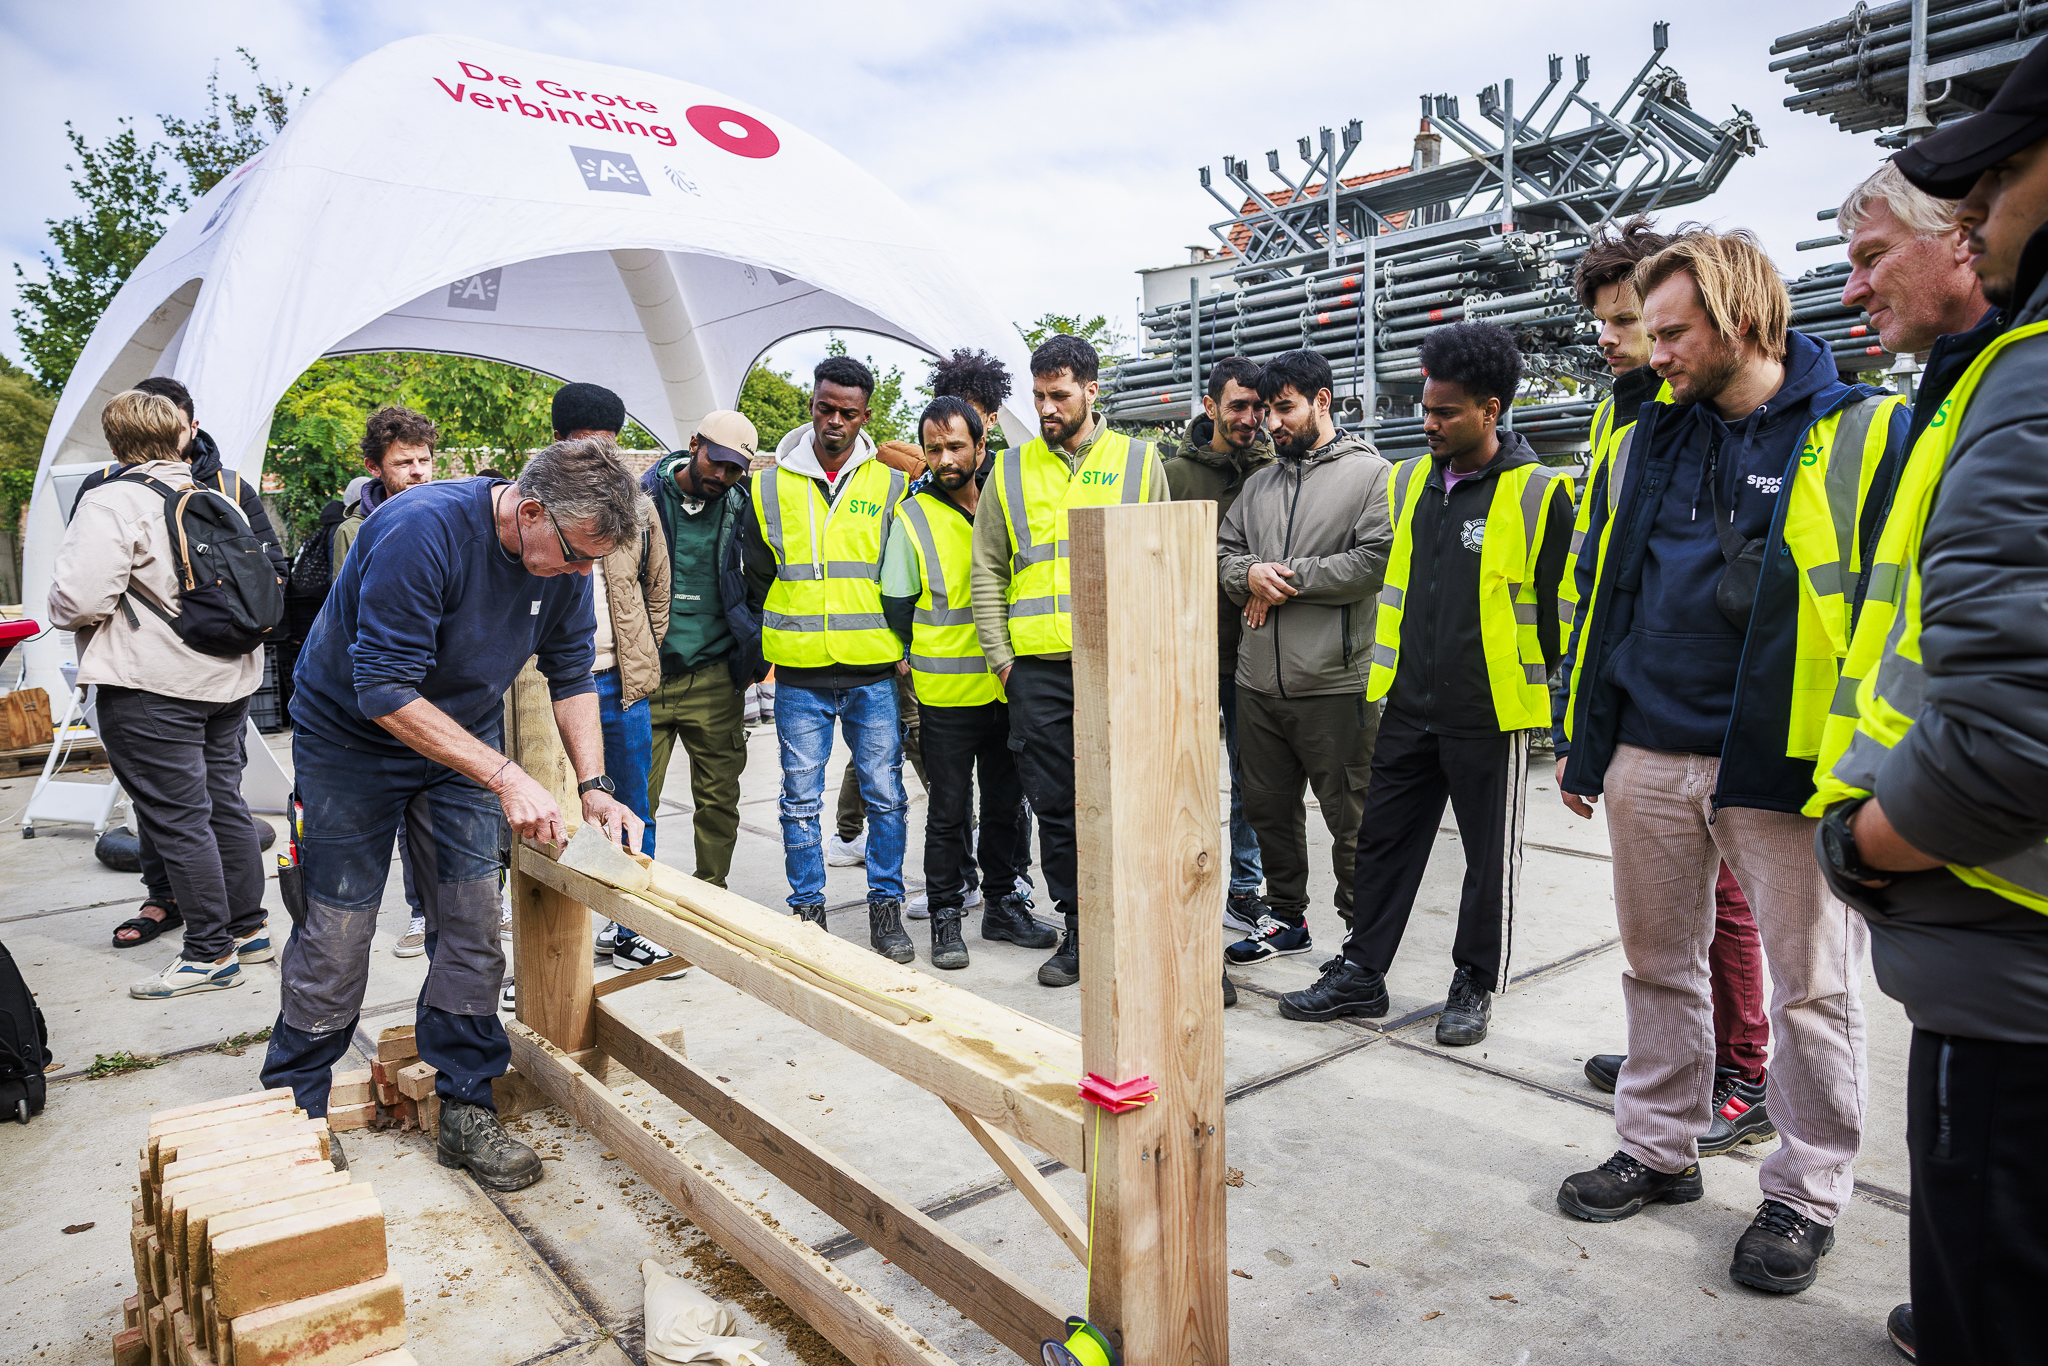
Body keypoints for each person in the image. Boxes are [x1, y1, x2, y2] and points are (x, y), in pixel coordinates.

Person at [1554, 228, 1911, 1297]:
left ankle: (1804, 1194)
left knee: (1811, 990)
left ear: (1740, 318)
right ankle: (1657, 1147)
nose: (1647, 352)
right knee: (1655, 964)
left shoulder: (1857, 430)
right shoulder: (1636, 440)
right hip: (1646, 749)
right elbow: (1600, 593)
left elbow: (1898, 611)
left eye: (1669, 332)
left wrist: (1866, 768)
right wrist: (1589, 739)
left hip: (1784, 762)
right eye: (1642, 331)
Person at [1811, 54, 2048, 1363]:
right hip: (1989, 916)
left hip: (2001, 925)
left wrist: (1869, 841)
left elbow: (2015, 725)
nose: (1854, 287)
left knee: (1992, 1281)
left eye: (1869, 255)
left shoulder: (2018, 386)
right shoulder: (1955, 396)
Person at [261, 439, 646, 1186]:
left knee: (472, 922)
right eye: (575, 557)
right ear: (531, 512)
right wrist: (506, 774)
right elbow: (382, 690)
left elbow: (569, 674)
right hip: (351, 740)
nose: (580, 574)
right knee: (338, 928)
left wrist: (593, 783)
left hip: (461, 742)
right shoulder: (421, 531)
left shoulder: (567, 557)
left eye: (590, 563)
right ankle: (296, 1109)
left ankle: (467, 1103)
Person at [1278, 324, 1570, 1048]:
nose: (1429, 423)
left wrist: (1564, 720)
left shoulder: (1541, 493)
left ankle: (1473, 982)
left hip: (1491, 710)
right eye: (1426, 409)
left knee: (1485, 861)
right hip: (1408, 704)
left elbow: (1566, 611)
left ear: (1491, 409)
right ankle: (1362, 972)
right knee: (1382, 845)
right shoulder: (1407, 480)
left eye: (1446, 412)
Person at [1562, 217, 1777, 1156]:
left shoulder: (1735, 420)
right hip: (1639, 703)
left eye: (1642, 325)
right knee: (1664, 945)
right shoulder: (1632, 414)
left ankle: (1742, 1069)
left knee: (1728, 913)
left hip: (1730, 730)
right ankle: (1682, 1078)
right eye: (1620, 327)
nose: (1627, 346)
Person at [52, 390, 271, 996]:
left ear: (116, 442)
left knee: (178, 820)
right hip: (226, 676)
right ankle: (249, 931)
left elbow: (78, 601)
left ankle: (208, 953)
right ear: (181, 436)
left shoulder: (110, 500)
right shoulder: (213, 494)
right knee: (223, 803)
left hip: (152, 682)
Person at [973, 334, 1169, 988]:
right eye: (1039, 396)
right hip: (1038, 673)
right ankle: (1083, 931)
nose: (1047, 407)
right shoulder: (1007, 469)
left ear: (1091, 390)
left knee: (1133, 801)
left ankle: (1140, 927)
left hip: (1120, 666)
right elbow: (987, 572)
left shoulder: (1141, 463)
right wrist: (1004, 663)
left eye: (1059, 395)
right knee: (1058, 807)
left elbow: (1162, 566)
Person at [1213, 349, 1389, 968]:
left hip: (1336, 683)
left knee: (1353, 818)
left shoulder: (1371, 477)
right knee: (1267, 809)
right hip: (1258, 681)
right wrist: (1248, 574)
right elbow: (1223, 553)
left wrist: (1286, 578)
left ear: (1322, 401)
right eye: (1265, 412)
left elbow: (1377, 560)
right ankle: (1286, 919)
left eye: (1284, 409)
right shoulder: (1259, 484)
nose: (1271, 424)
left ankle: (1360, 938)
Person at [742, 356, 912, 958]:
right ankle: (807, 914)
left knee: (886, 794)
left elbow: (902, 576)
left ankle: (885, 912)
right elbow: (757, 577)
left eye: (847, 412)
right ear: (811, 406)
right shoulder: (767, 485)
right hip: (800, 676)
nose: (834, 421)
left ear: (866, 415)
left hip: (872, 669)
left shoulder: (891, 484)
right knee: (799, 799)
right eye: (824, 408)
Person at [878, 397, 1053, 968]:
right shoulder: (913, 517)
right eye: (934, 449)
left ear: (982, 446)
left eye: (956, 446)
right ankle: (946, 917)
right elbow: (898, 606)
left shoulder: (1008, 502)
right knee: (950, 810)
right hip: (949, 696)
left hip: (1011, 689)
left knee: (1008, 807)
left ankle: (1003, 907)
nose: (945, 459)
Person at [549, 382, 681, 978]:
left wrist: (641, 650)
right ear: (559, 444)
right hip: (550, 687)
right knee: (549, 811)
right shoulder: (538, 503)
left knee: (632, 806)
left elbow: (658, 587)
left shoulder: (639, 505)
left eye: (608, 447)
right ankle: (552, 939)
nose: (598, 460)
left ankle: (630, 928)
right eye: (585, 446)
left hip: (618, 681)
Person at [1164, 356, 1274, 934]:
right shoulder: (1173, 477)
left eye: (1258, 407)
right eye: (1238, 405)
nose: (1250, 418)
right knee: (1187, 777)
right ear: (1209, 407)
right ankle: (1186, 875)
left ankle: (1245, 886)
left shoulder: (1274, 471)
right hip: (1188, 653)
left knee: (1250, 779)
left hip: (1252, 651)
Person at [641, 410, 767, 897]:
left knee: (718, 798)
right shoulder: (642, 498)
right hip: (647, 677)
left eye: (734, 469)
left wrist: (754, 652)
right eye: (715, 462)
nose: (721, 476)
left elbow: (760, 582)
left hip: (715, 677)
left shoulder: (744, 509)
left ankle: (711, 893)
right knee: (635, 798)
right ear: (695, 444)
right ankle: (630, 911)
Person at [331, 406, 438, 567]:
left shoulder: (452, 518)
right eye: (404, 462)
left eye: (424, 460)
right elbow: (348, 593)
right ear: (373, 467)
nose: (418, 471)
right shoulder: (354, 532)